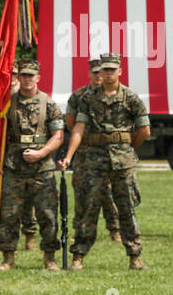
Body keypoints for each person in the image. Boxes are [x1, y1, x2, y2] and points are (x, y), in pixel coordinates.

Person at [59, 53, 151, 270]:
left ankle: (135, 256)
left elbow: (144, 131)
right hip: (93, 160)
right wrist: (69, 156)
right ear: (99, 72)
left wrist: (126, 149)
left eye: (112, 69)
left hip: (122, 163)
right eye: (104, 70)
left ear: (120, 71)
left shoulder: (131, 98)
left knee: (126, 208)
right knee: (87, 208)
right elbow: (78, 128)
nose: (108, 73)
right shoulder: (87, 99)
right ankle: (78, 256)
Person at [0, 58, 64, 271]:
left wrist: (41, 152)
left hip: (42, 168)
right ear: (18, 77)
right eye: (23, 75)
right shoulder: (8, 103)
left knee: (47, 213)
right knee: (9, 214)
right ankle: (8, 259)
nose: (26, 79)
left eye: (30, 75)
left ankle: (49, 258)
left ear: (38, 78)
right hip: (14, 168)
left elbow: (58, 135)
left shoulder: (49, 103)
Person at [65, 57, 122, 243]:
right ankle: (79, 229)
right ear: (89, 74)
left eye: (101, 72)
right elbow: (71, 123)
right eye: (95, 72)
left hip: (110, 152)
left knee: (110, 193)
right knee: (82, 192)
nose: (99, 75)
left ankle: (115, 229)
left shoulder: (118, 95)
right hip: (85, 152)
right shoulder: (79, 96)